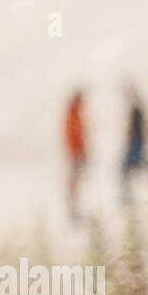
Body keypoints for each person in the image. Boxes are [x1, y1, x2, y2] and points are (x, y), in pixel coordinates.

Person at [120, 85, 147, 203]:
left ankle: (129, 194)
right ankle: (129, 194)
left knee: (127, 169)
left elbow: (135, 128)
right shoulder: (138, 109)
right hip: (136, 141)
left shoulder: (136, 110)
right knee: (129, 169)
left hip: (135, 142)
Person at [65, 89, 87, 224]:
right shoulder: (73, 115)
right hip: (75, 154)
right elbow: (76, 136)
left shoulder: (73, 114)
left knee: (74, 183)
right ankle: (73, 210)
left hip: (74, 153)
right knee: (74, 183)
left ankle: (74, 210)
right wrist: (80, 152)